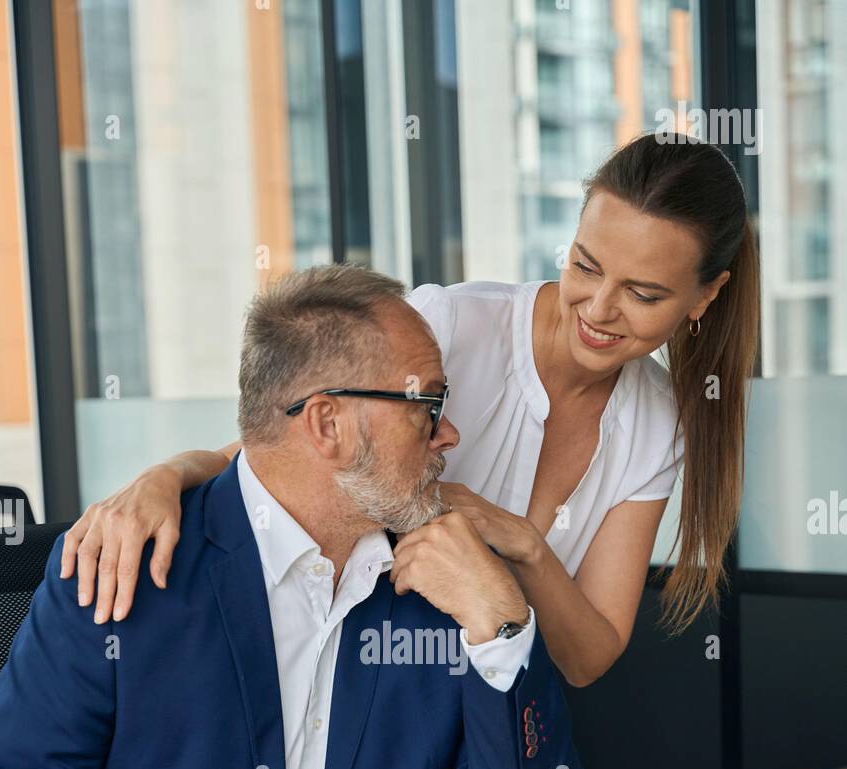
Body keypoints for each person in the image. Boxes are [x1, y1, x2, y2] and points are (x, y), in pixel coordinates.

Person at [0, 265, 584, 769]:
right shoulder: (122, 567)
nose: (448, 433)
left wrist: (504, 626)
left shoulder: (441, 579)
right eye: (427, 403)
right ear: (327, 422)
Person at [60, 134, 759, 686]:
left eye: (642, 294)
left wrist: (524, 546)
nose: (599, 310)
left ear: (703, 298)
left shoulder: (657, 422)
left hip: (494, 720)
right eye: (585, 265)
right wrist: (166, 476)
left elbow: (587, 658)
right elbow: (288, 448)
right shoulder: (452, 324)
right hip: (361, 686)